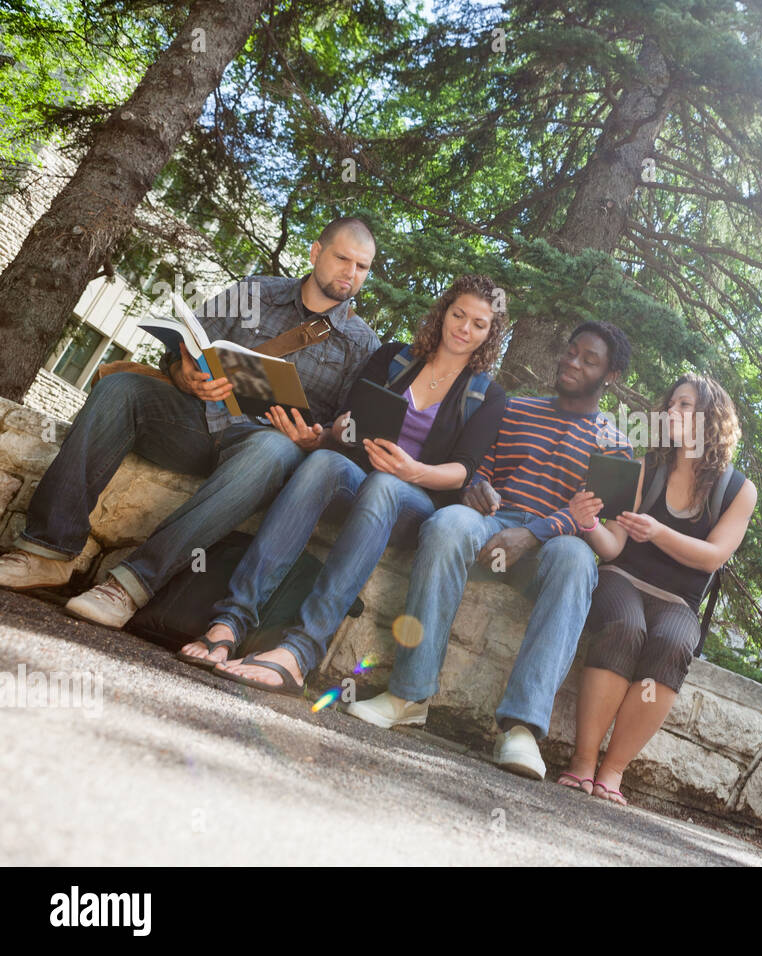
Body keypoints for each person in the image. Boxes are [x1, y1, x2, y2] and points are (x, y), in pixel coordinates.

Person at [0, 217, 381, 628]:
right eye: (343, 258)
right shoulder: (253, 291)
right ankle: (47, 553)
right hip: (198, 422)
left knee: (272, 448)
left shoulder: (365, 347)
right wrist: (187, 377)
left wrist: (318, 438)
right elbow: (185, 349)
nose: (351, 273)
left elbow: (348, 435)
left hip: (262, 456)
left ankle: (128, 586)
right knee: (121, 389)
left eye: (362, 267)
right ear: (315, 252)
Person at [175, 275, 510, 697]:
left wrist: (413, 471)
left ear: (489, 333)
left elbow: (463, 470)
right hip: (359, 476)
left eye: (478, 324)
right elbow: (344, 423)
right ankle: (230, 622)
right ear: (444, 313)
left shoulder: (488, 395)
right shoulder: (392, 358)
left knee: (385, 486)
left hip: (414, 499)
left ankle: (299, 652)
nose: (464, 328)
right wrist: (344, 428)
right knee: (323, 462)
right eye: (458, 314)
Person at [343, 321, 635, 782]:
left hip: (549, 549)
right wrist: (476, 490)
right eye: (571, 350)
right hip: (491, 524)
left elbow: (589, 518)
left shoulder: (616, 446)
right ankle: (409, 697)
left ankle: (521, 729)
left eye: (589, 359)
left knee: (579, 561)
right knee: (447, 524)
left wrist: (533, 534)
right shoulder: (516, 410)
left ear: (611, 376)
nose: (572, 362)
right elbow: (483, 471)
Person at [559, 374, 756, 804]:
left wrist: (658, 533)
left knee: (671, 644)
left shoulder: (738, 491)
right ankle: (583, 762)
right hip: (622, 580)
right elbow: (612, 546)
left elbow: (711, 556)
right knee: (626, 627)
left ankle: (612, 771)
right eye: (671, 404)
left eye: (684, 405)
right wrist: (588, 522)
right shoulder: (645, 469)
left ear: (711, 418)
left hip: (679, 602)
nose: (671, 411)